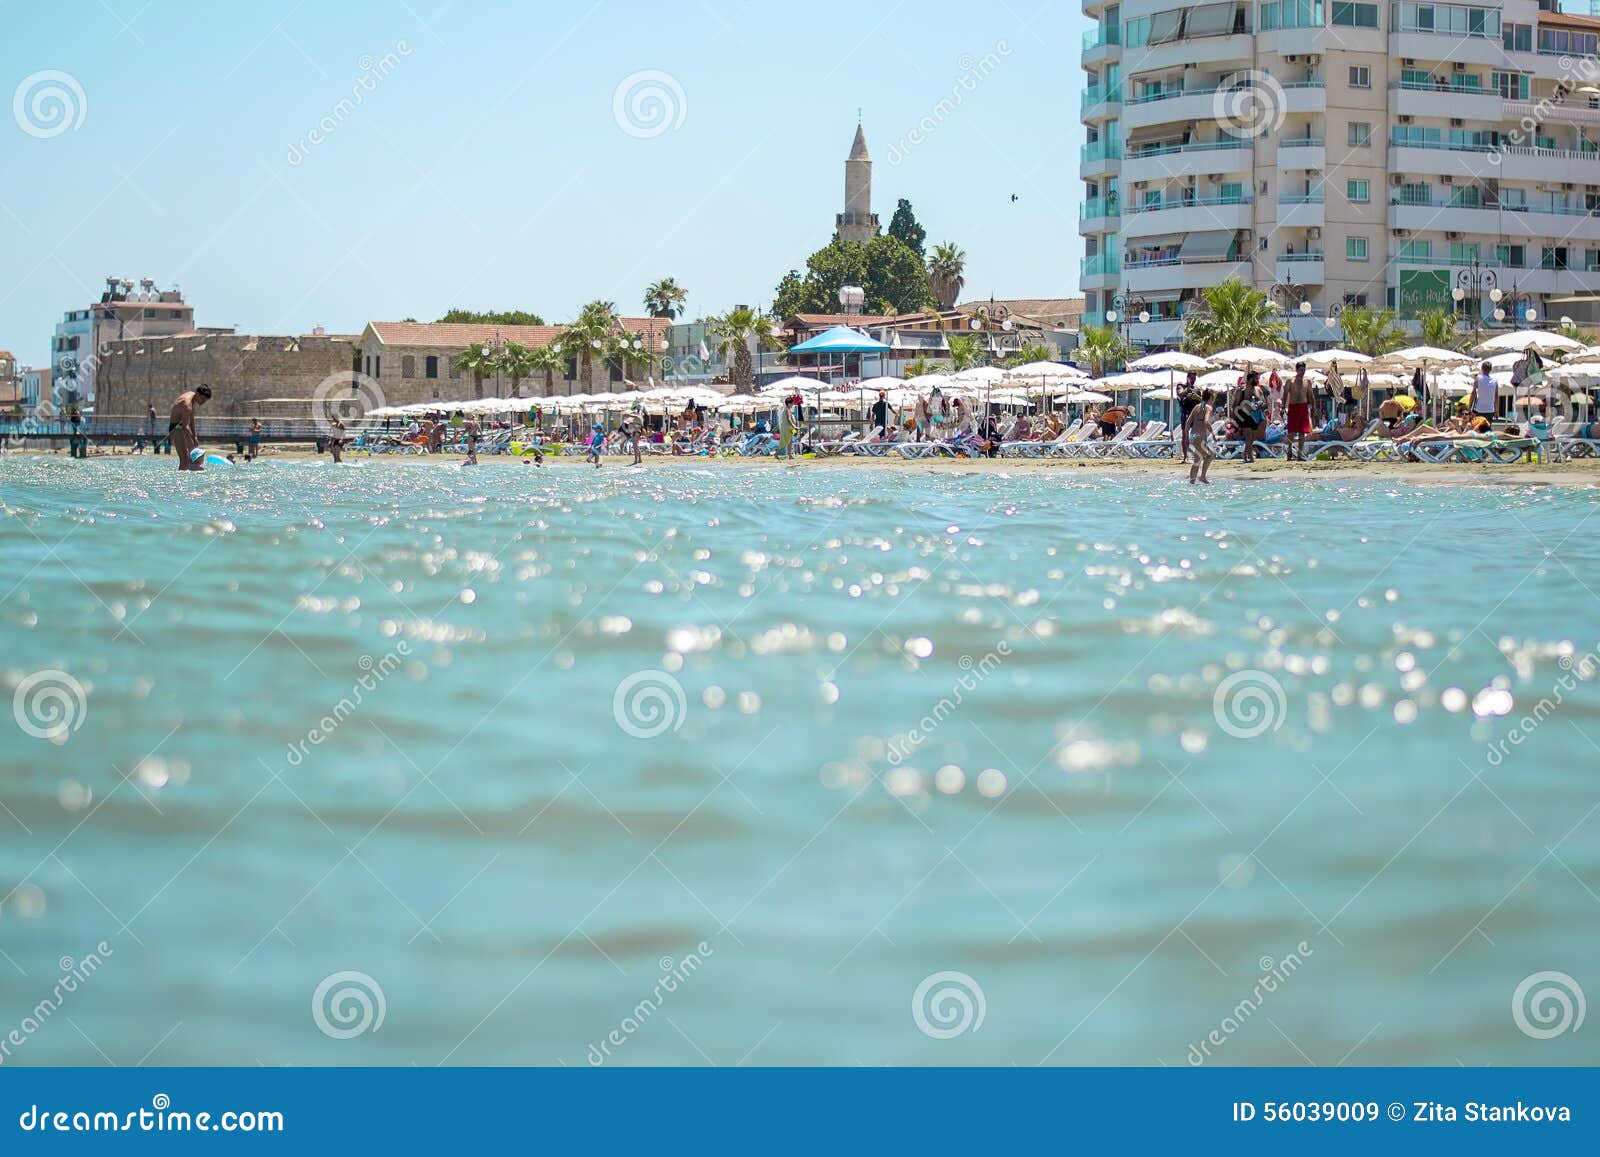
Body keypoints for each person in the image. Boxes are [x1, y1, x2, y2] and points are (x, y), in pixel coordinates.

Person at [169, 384, 211, 471]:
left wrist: (195, 436)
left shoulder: (192, 396)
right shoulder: (187, 405)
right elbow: (185, 427)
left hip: (182, 426)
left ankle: (187, 474)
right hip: (176, 427)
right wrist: (192, 446)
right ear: (197, 394)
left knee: (188, 458)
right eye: (202, 399)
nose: (203, 402)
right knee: (185, 458)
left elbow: (191, 419)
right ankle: (181, 479)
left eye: (205, 401)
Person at [1285, 361, 1313, 461]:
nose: (1303, 372)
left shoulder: (1307, 381)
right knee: (1291, 431)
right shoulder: (1290, 381)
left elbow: (1311, 395)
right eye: (1301, 370)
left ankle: (1300, 454)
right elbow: (1285, 395)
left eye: (1304, 370)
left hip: (1303, 407)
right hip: (1293, 407)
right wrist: (1283, 407)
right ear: (1296, 370)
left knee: (1302, 431)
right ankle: (1289, 452)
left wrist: (1313, 407)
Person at [1187, 389, 1215, 484]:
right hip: (1200, 436)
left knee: (1198, 458)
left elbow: (1188, 422)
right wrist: (1213, 432)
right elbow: (1206, 421)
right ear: (1211, 398)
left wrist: (1187, 436)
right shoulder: (1208, 408)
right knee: (1209, 455)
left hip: (1193, 435)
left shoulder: (1196, 407)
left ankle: (1192, 481)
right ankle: (1202, 477)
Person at [1177, 371, 1200, 462]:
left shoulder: (1197, 389)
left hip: (1195, 414)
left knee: (1196, 435)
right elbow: (1180, 395)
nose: (1193, 380)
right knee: (1184, 435)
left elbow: (1202, 401)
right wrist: (1188, 388)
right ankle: (1185, 457)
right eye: (1191, 378)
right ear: (1187, 378)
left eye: (1194, 378)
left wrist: (1197, 397)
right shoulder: (1181, 386)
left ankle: (1197, 454)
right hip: (1185, 413)